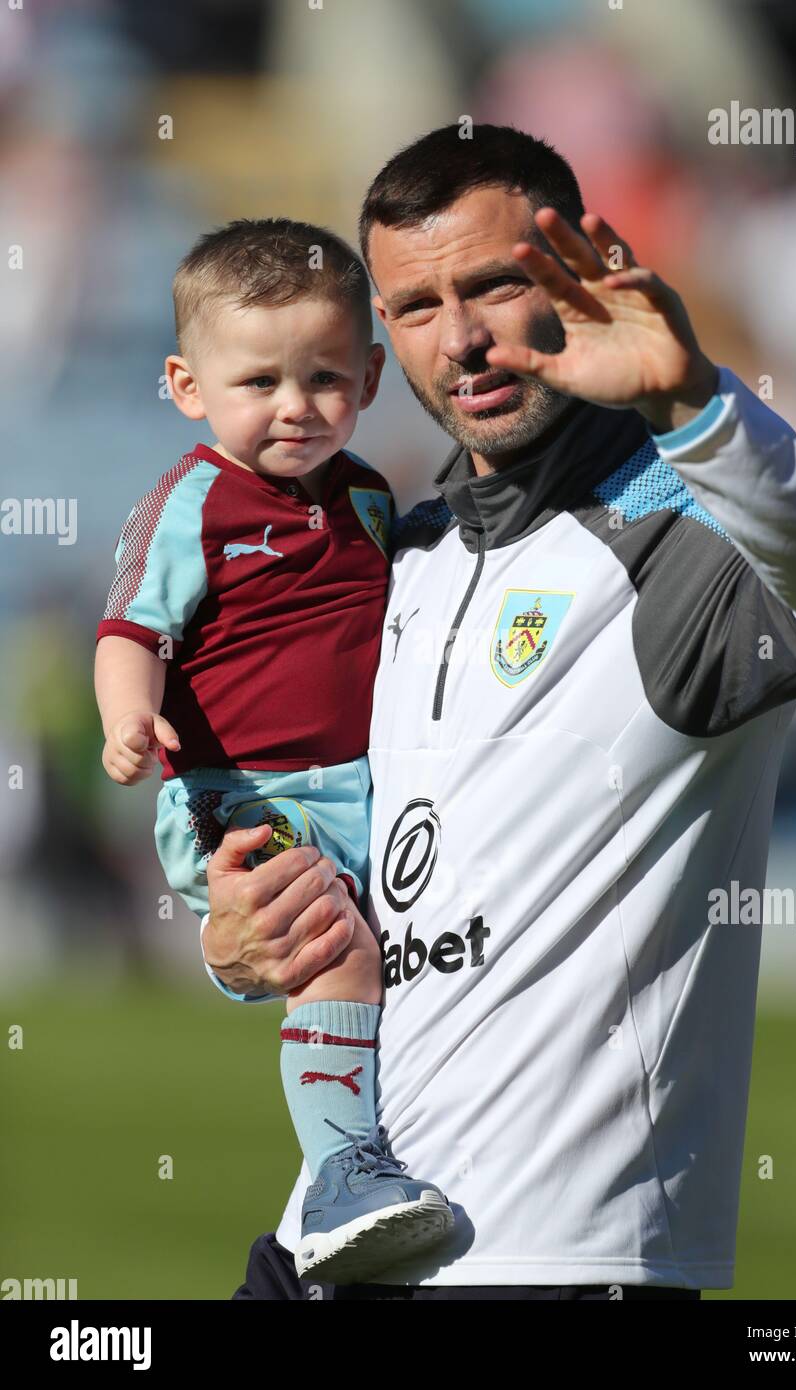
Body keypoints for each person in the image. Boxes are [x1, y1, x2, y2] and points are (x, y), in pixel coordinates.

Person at [201, 125, 796, 1301]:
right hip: (331, 1244)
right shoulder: (399, 558)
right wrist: (237, 940)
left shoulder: (671, 539)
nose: (462, 337)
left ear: (578, 276)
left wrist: (692, 400)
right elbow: (351, 862)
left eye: (494, 284)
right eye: (417, 305)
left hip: (549, 1257)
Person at [93, 217, 454, 1284]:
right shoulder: (192, 504)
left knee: (410, 956)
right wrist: (127, 719)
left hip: (369, 788)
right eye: (259, 381)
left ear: (372, 376)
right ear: (187, 384)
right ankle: (345, 1170)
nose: (295, 405)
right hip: (242, 792)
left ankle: (412, 1132)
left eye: (325, 377)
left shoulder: (371, 501)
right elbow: (130, 630)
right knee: (325, 939)